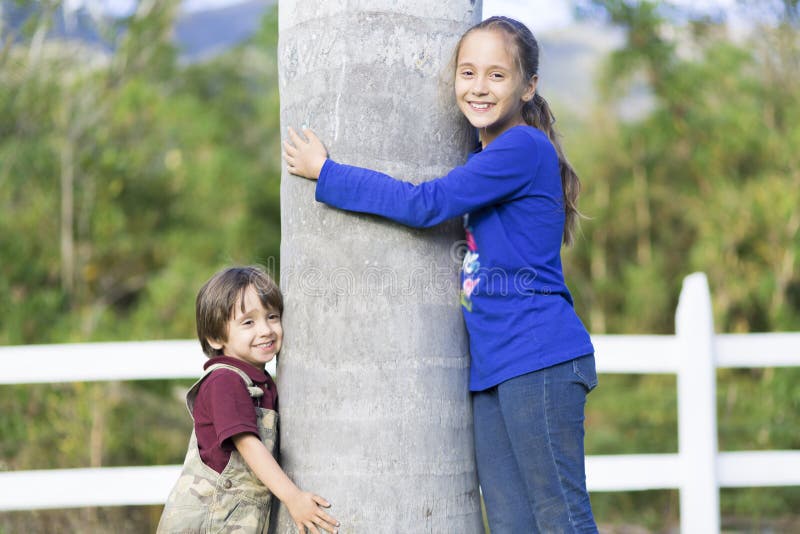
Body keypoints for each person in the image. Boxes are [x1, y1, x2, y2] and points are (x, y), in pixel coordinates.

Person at [282, 15, 598, 533]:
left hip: (537, 355)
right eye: (467, 72)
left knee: (559, 518)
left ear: (528, 86)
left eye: (497, 75)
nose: (478, 86)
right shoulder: (487, 154)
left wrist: (328, 172)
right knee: (514, 525)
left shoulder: (520, 148)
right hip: (496, 365)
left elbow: (426, 204)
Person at [157, 266, 339, 534]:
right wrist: (293, 498)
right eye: (248, 322)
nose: (266, 330)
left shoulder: (261, 382)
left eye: (272, 317)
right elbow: (248, 444)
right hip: (212, 522)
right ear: (216, 337)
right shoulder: (225, 381)